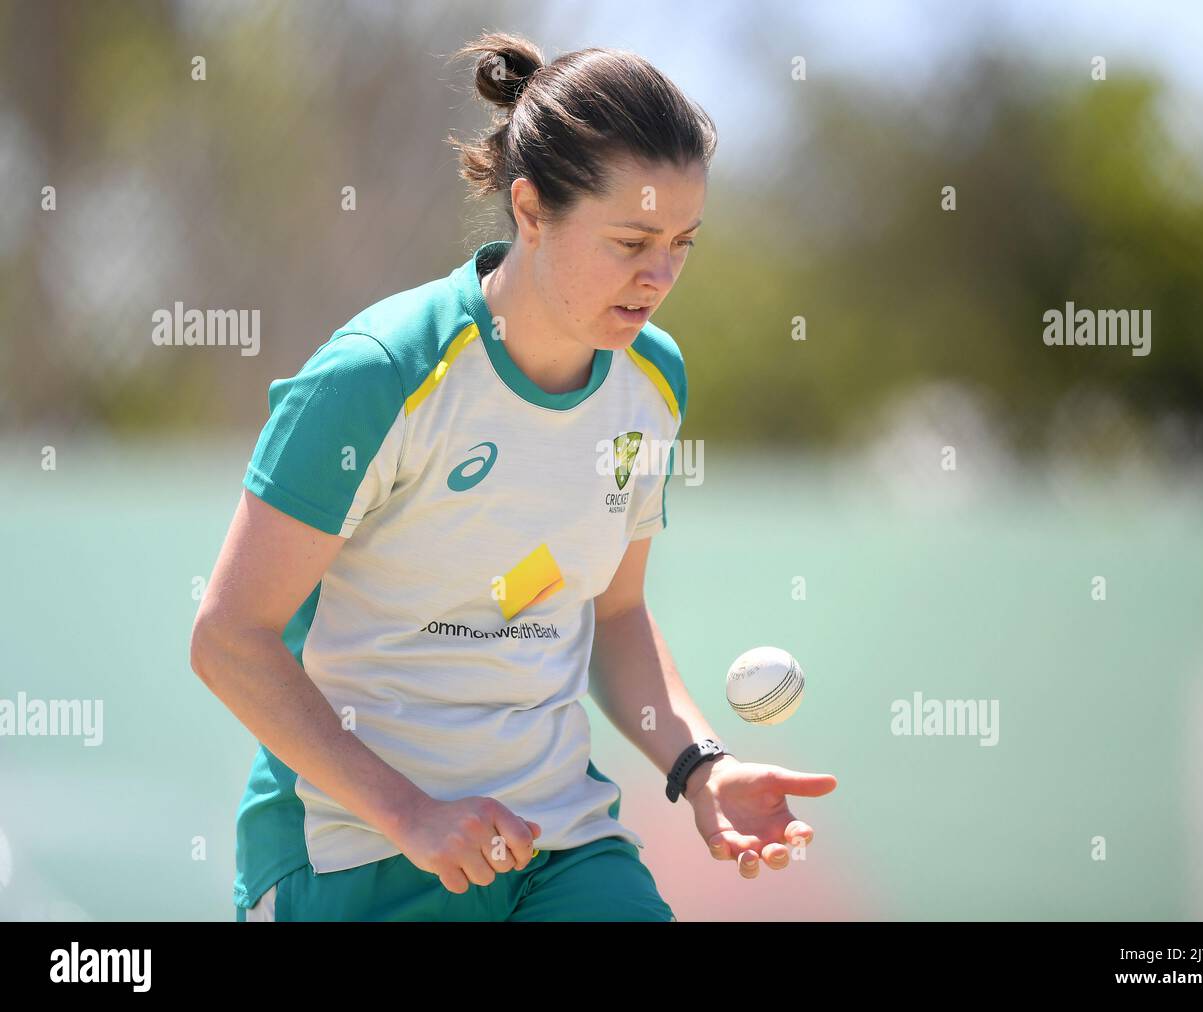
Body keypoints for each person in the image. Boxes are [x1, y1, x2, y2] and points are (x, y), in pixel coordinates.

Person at [190, 31, 837, 922]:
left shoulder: (653, 379)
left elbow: (615, 611)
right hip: (351, 856)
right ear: (530, 210)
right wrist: (410, 813)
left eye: (683, 242)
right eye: (632, 240)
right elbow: (229, 637)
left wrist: (700, 770)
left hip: (559, 845)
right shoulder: (378, 373)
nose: (660, 275)